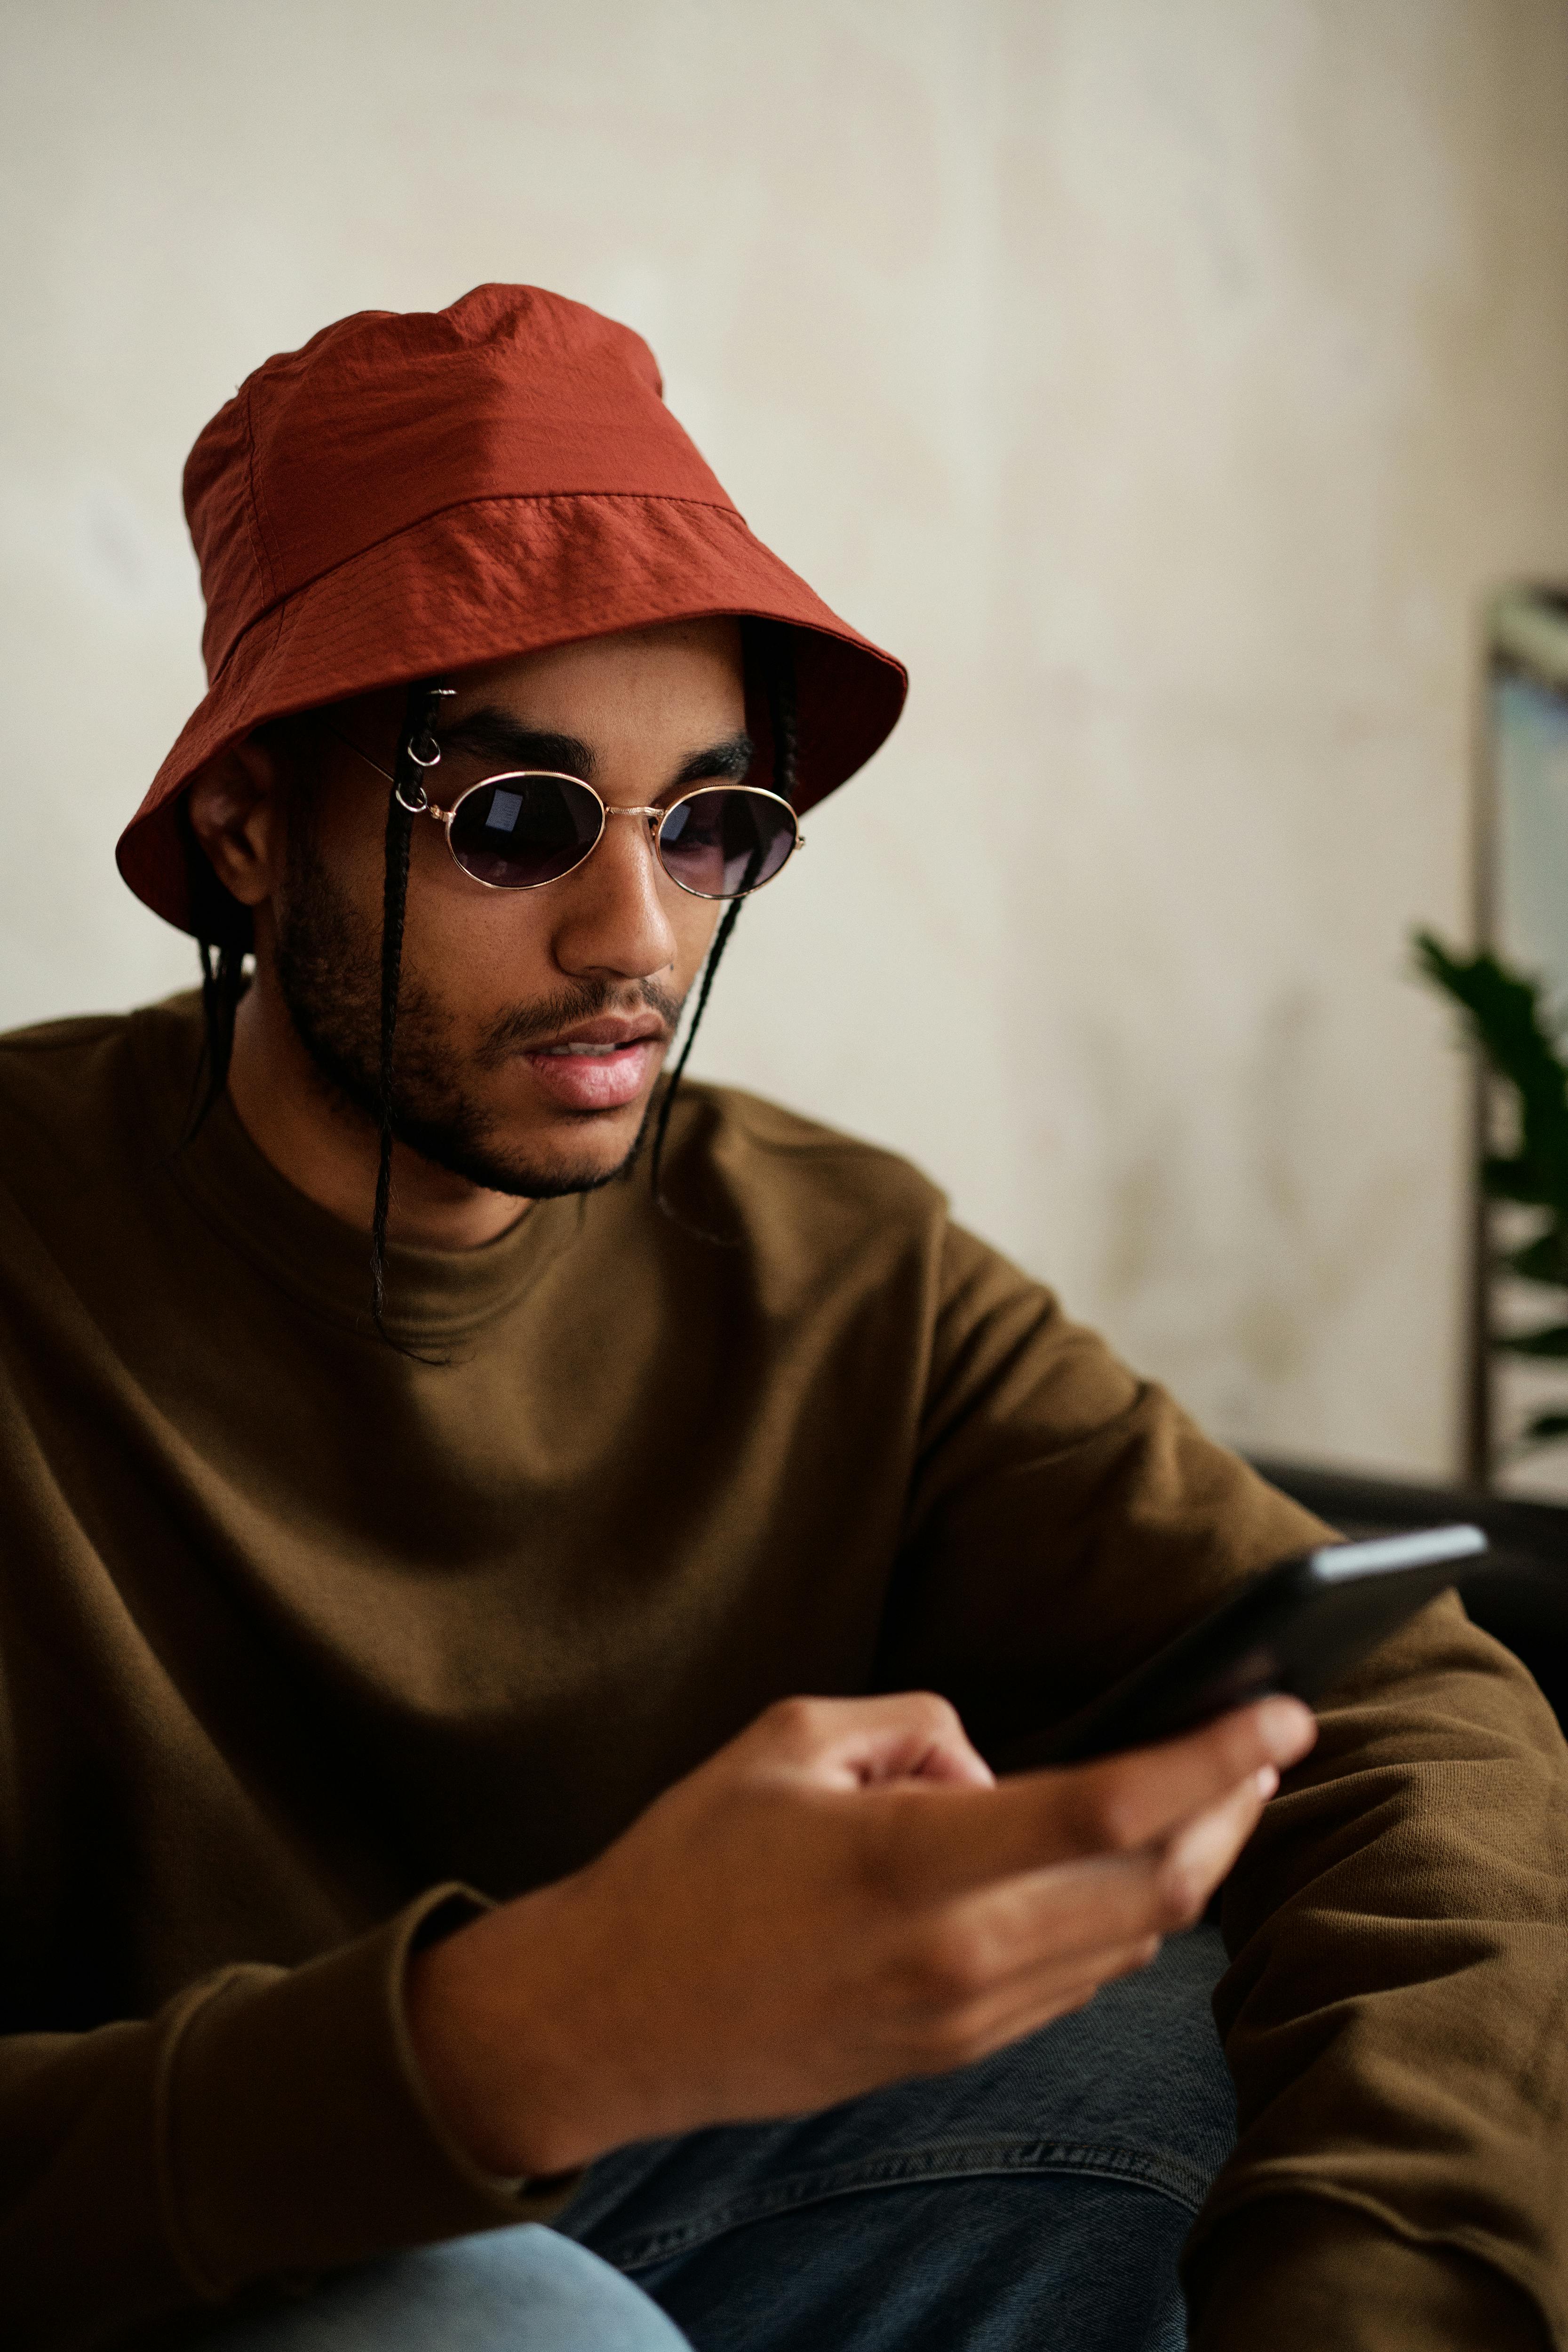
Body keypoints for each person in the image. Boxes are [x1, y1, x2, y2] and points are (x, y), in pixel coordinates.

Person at [0, 285, 1561, 2352]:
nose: (636, 933)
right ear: (248, 830)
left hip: (678, 2191)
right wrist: (524, 2034)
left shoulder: (832, 1259)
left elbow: (1418, 1708)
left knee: (1218, 2044)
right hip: (144, 2257)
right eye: (519, 816)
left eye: (715, 824)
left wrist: (1390, 2301)